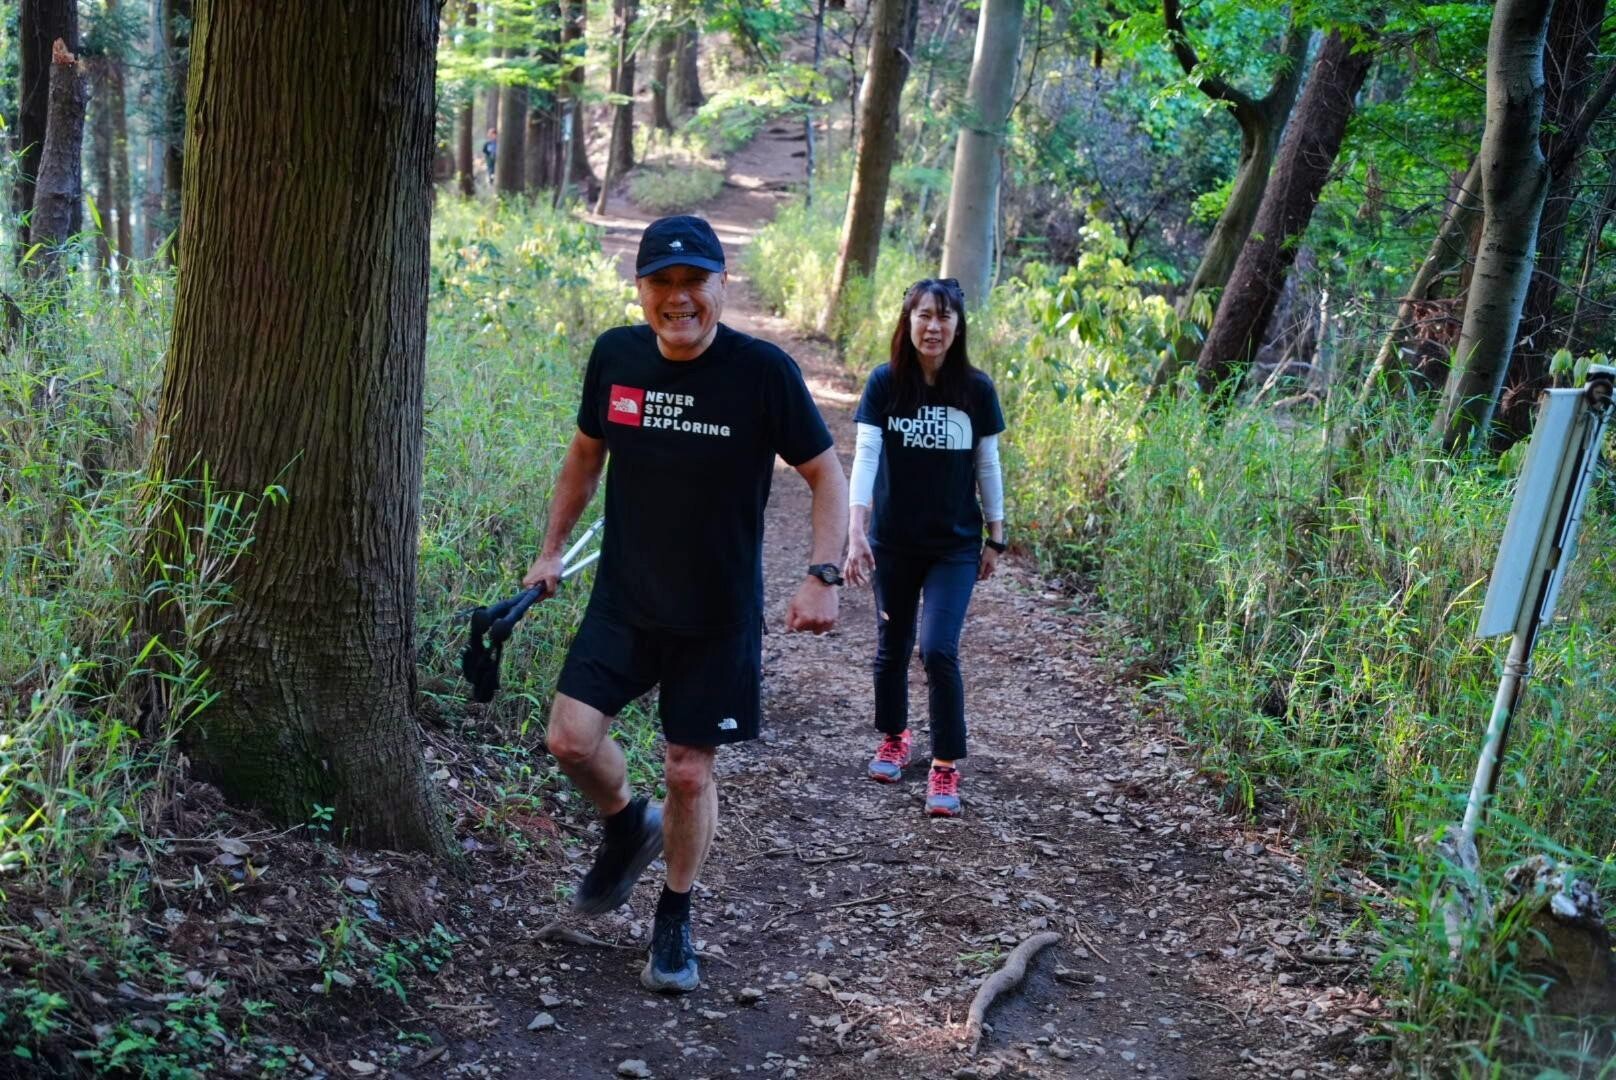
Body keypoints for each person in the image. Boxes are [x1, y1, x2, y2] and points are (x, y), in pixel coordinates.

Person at [523, 215, 849, 994]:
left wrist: (822, 574)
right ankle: (625, 822)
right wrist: (550, 549)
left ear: (719, 286)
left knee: (689, 773)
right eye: (661, 283)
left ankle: (674, 913)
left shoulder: (762, 373)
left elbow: (827, 475)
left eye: (692, 282)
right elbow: (584, 456)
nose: (678, 299)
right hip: (624, 599)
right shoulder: (616, 356)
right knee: (570, 740)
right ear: (640, 290)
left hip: (716, 614)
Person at [842, 277, 1006, 818]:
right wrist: (856, 531)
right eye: (924, 316)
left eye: (944, 318)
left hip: (954, 546)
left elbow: (987, 465)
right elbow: (865, 459)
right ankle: (894, 735)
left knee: (937, 648)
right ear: (907, 321)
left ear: (958, 327)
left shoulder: (976, 390)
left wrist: (997, 536)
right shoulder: (885, 384)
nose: (933, 327)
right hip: (893, 541)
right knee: (892, 646)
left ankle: (945, 766)